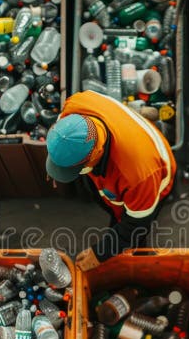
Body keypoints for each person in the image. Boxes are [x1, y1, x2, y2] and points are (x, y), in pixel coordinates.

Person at [45, 90, 176, 271]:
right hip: (126, 147)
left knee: (131, 232)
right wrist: (57, 164)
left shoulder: (138, 175)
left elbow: (135, 225)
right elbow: (63, 143)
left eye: (75, 169)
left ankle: (136, 257)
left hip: (153, 180)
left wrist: (100, 253)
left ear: (95, 155)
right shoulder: (75, 105)